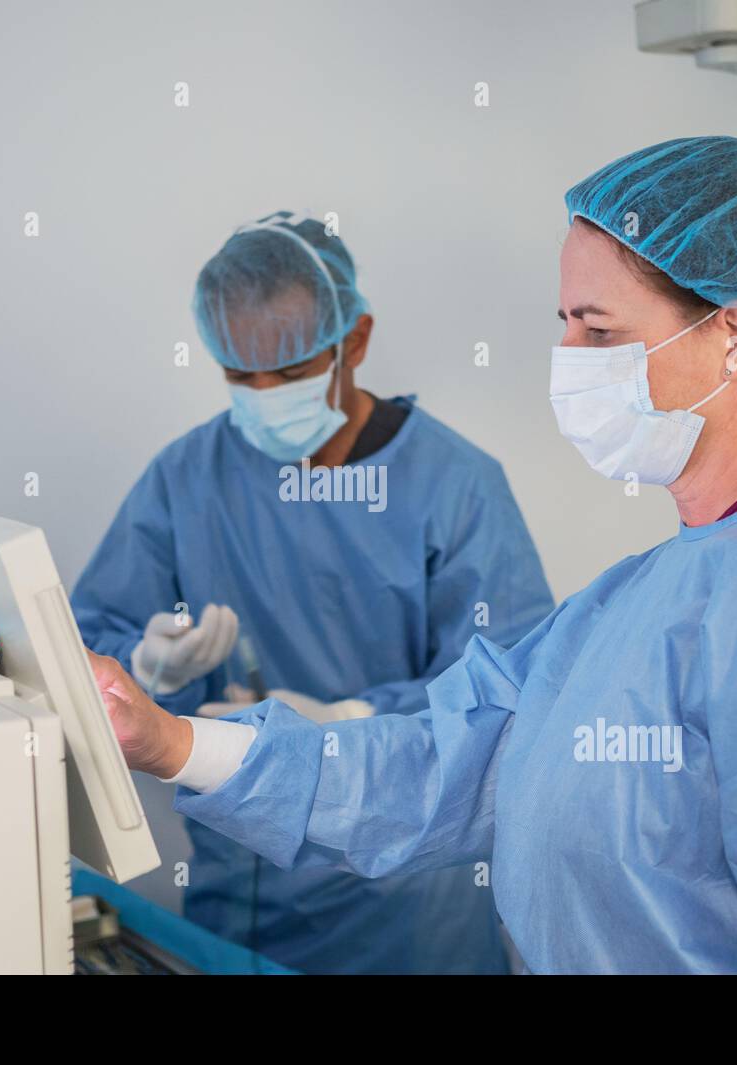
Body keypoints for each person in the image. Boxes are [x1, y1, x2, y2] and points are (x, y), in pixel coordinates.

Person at [91, 138, 737, 974]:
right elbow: (446, 763)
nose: (566, 359)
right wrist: (169, 741)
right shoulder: (640, 596)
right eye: (564, 323)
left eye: (597, 330)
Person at [73, 211, 555, 974]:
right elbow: (84, 641)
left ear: (354, 341)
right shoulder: (188, 476)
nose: (264, 395)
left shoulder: (455, 487)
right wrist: (144, 663)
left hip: (402, 904)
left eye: (291, 371)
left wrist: (350, 723)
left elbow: (508, 697)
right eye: (240, 374)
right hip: (237, 889)